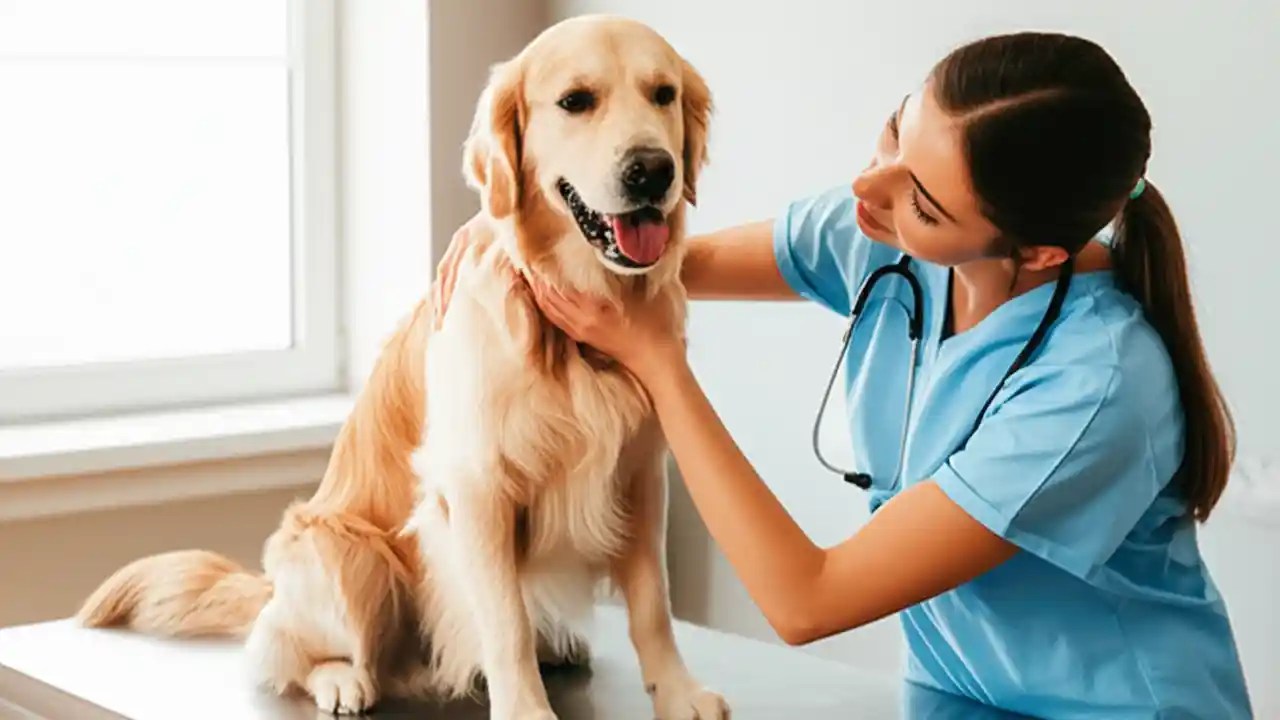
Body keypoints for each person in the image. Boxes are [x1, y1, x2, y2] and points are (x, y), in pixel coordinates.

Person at [435, 31, 1252, 719]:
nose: (869, 187)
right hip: (954, 695)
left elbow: (807, 600)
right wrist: (519, 218)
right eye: (896, 132)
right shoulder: (893, 234)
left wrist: (659, 361)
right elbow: (677, 259)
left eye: (922, 200)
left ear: (1036, 251)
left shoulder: (1097, 387)